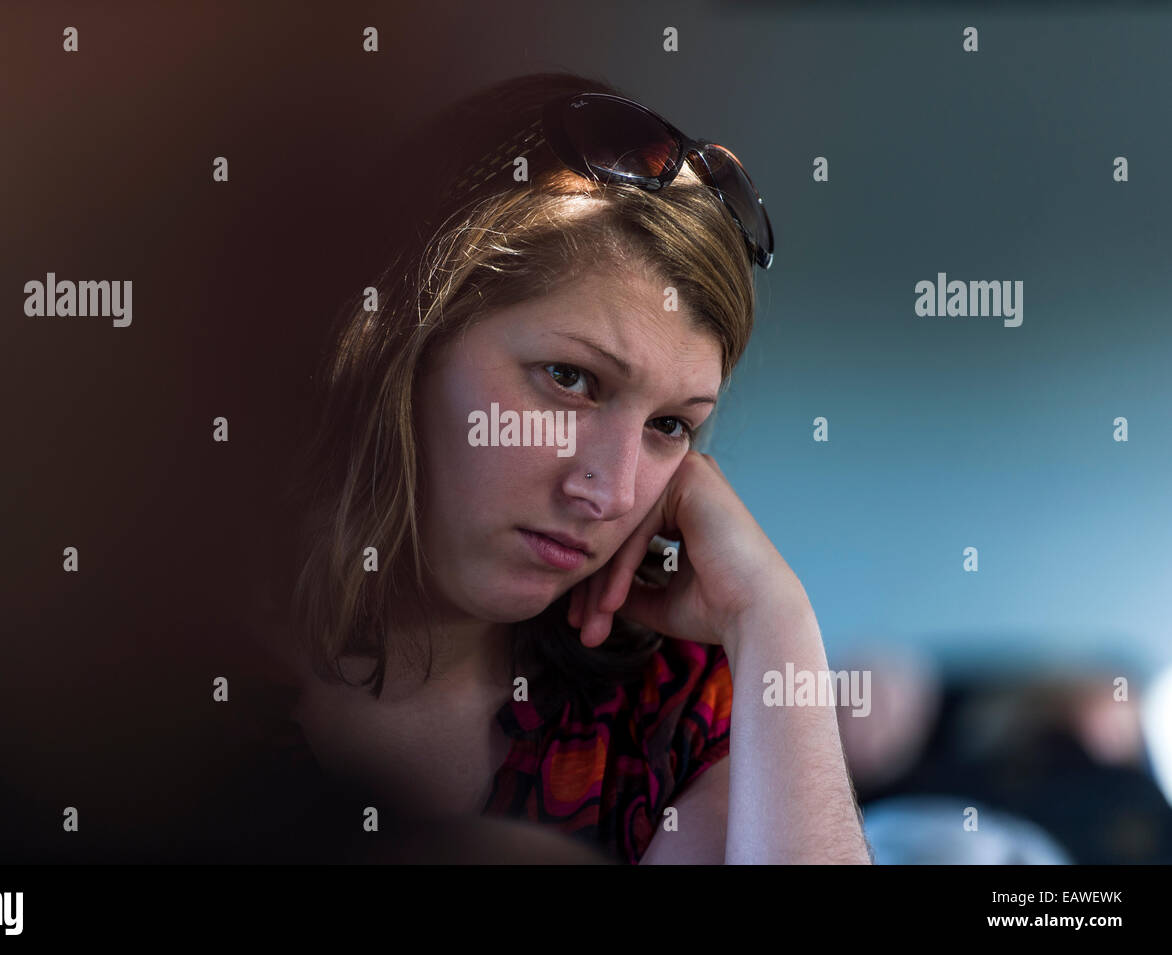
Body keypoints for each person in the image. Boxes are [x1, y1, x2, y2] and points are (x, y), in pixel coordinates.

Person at [280, 70, 870, 864]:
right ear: (400, 345)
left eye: (669, 426)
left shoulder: (661, 716)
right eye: (571, 379)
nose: (610, 491)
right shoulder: (139, 653)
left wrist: (774, 617)